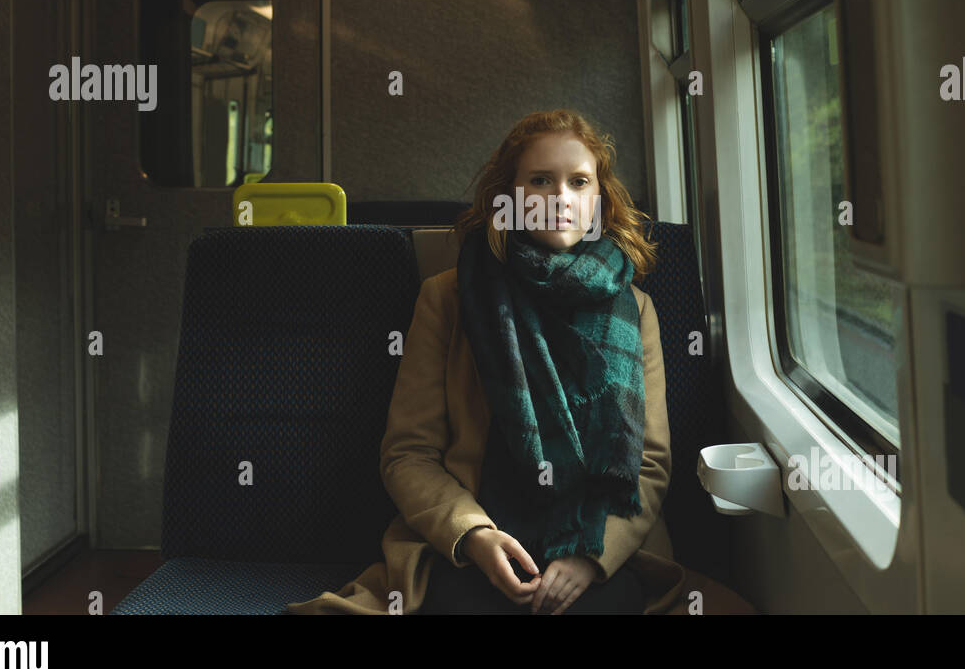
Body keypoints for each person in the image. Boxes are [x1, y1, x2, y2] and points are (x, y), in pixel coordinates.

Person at [285, 109, 685, 615]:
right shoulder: (449, 298)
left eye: (579, 182)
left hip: (598, 541)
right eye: (541, 180)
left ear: (597, 202)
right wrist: (473, 536)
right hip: (472, 542)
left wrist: (589, 557)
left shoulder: (636, 308)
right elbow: (408, 453)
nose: (560, 197)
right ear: (509, 197)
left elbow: (648, 462)